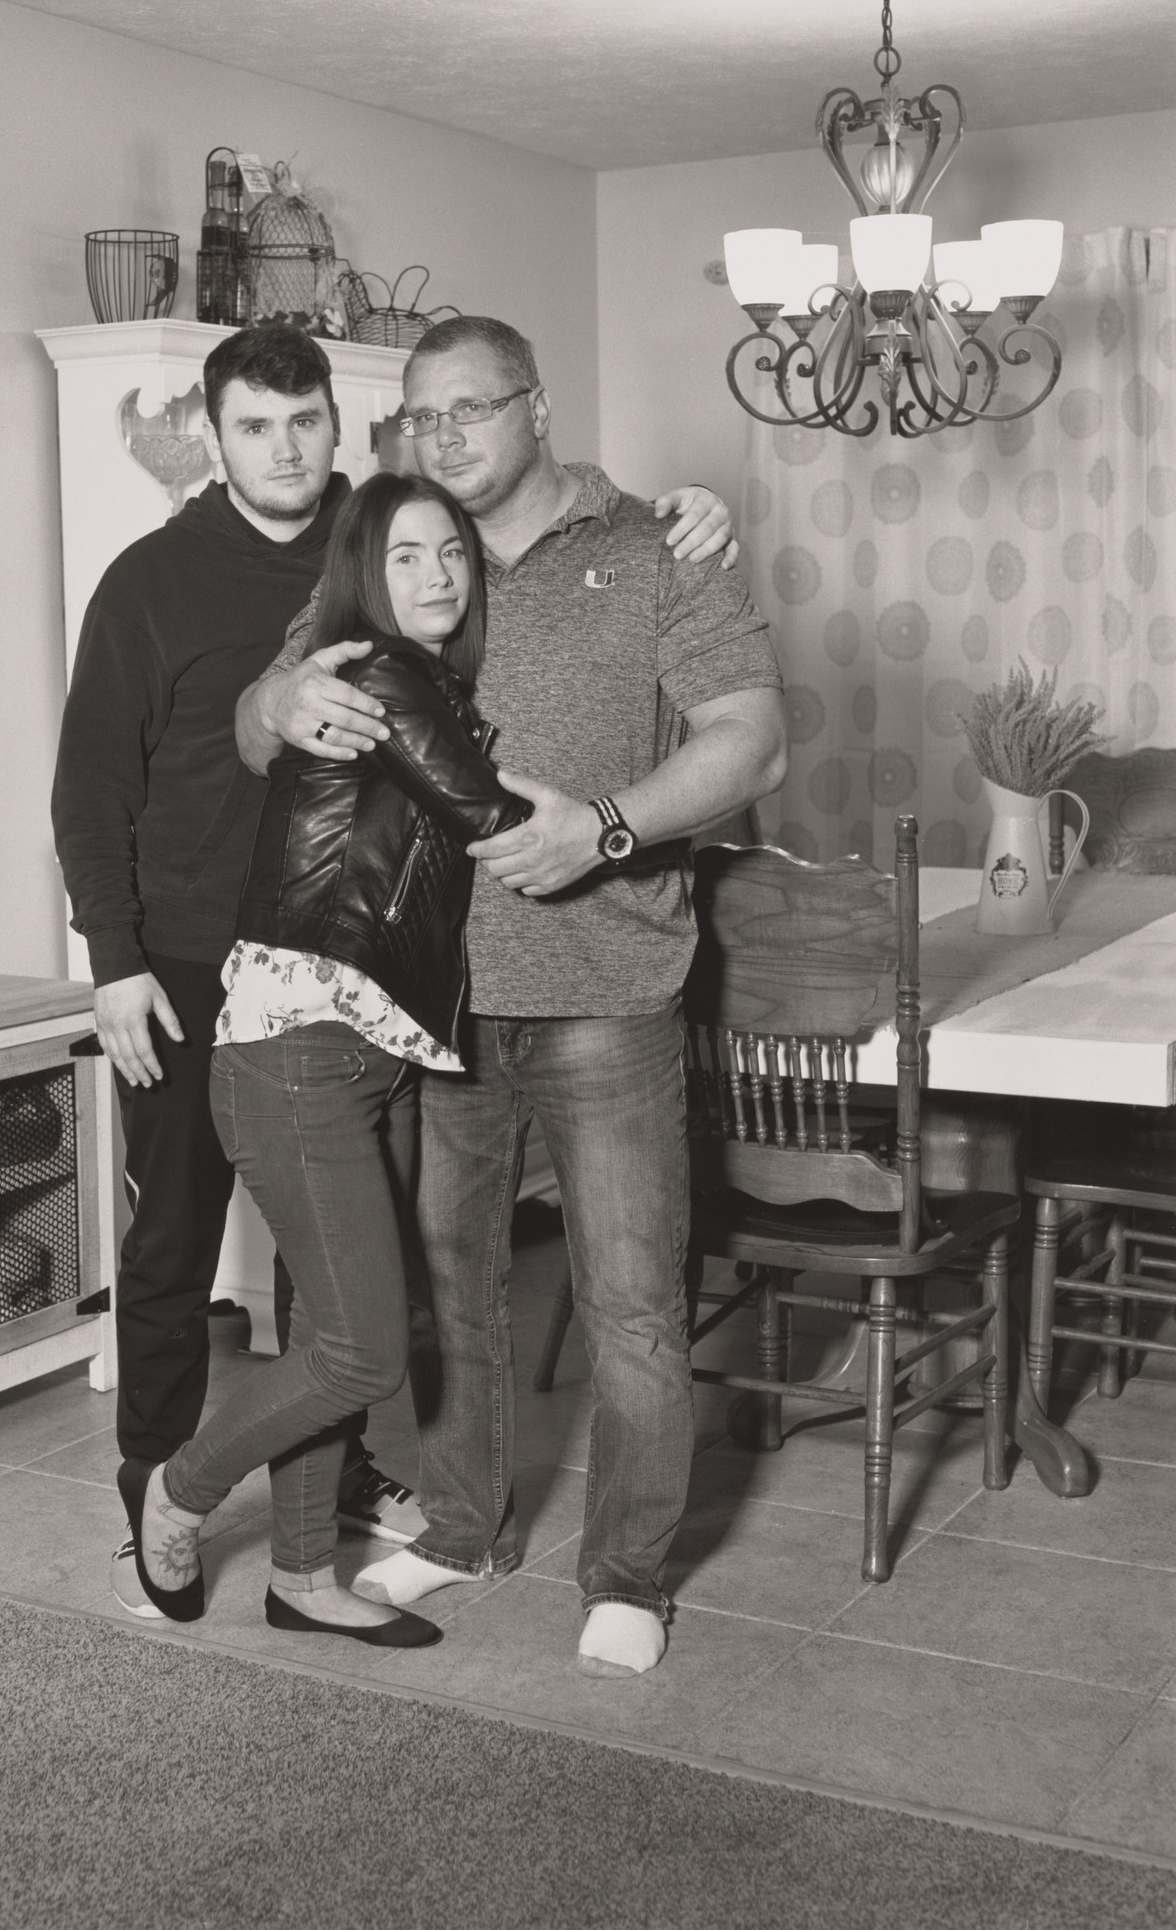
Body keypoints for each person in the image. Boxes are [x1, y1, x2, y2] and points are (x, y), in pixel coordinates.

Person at [53, 321, 736, 1622]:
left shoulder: (417, 568)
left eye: (305, 421)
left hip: (382, 1017)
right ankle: (169, 1490)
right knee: (275, 1297)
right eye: (254, 425)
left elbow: (558, 551)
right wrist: (117, 951)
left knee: (342, 1305)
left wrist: (673, 519)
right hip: (265, 999)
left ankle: (308, 1566)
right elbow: (126, 774)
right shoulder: (249, 618)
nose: (285, 448)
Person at [237, 315, 787, 1679]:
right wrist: (277, 701)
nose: (443, 441)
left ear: (536, 408)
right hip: (428, 1003)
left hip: (609, 984)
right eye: (420, 420)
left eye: (469, 412)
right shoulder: (394, 548)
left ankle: (630, 1574)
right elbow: (261, 716)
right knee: (446, 1284)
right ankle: (469, 1523)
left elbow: (749, 736)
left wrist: (599, 828)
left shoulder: (657, 547)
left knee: (628, 1301)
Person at [122, 468, 532, 1646]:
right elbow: (493, 824)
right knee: (360, 1342)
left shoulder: (418, 681)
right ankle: (178, 1489)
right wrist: (637, 824)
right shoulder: (380, 674)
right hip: (298, 1052)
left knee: (327, 1336)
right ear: (363, 573)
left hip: (347, 1054)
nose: (436, 574)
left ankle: (302, 1575)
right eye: (405, 555)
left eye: (450, 551)